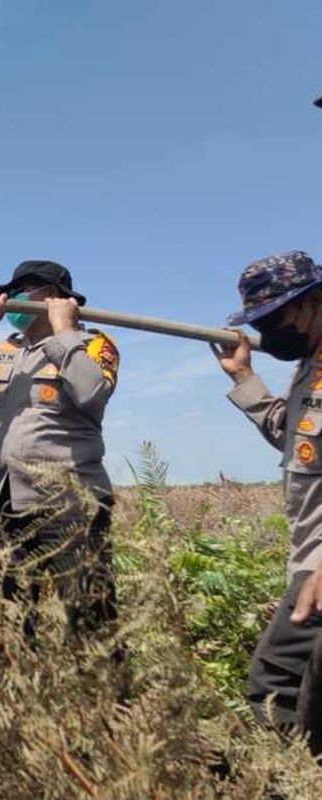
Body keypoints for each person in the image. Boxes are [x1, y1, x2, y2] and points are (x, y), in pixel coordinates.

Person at [0, 259, 120, 637]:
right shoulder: (2, 350)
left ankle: (102, 692)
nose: (14, 299)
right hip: (10, 506)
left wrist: (64, 332)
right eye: (11, 291)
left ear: (54, 297)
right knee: (15, 619)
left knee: (90, 622)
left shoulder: (93, 344)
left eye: (24, 290)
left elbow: (92, 392)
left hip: (72, 506)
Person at [212, 250, 322, 744]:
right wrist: (243, 379)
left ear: (314, 301)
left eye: (275, 317)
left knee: (275, 689)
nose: (269, 330)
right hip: (309, 566)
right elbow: (292, 435)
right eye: (260, 321)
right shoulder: (311, 368)